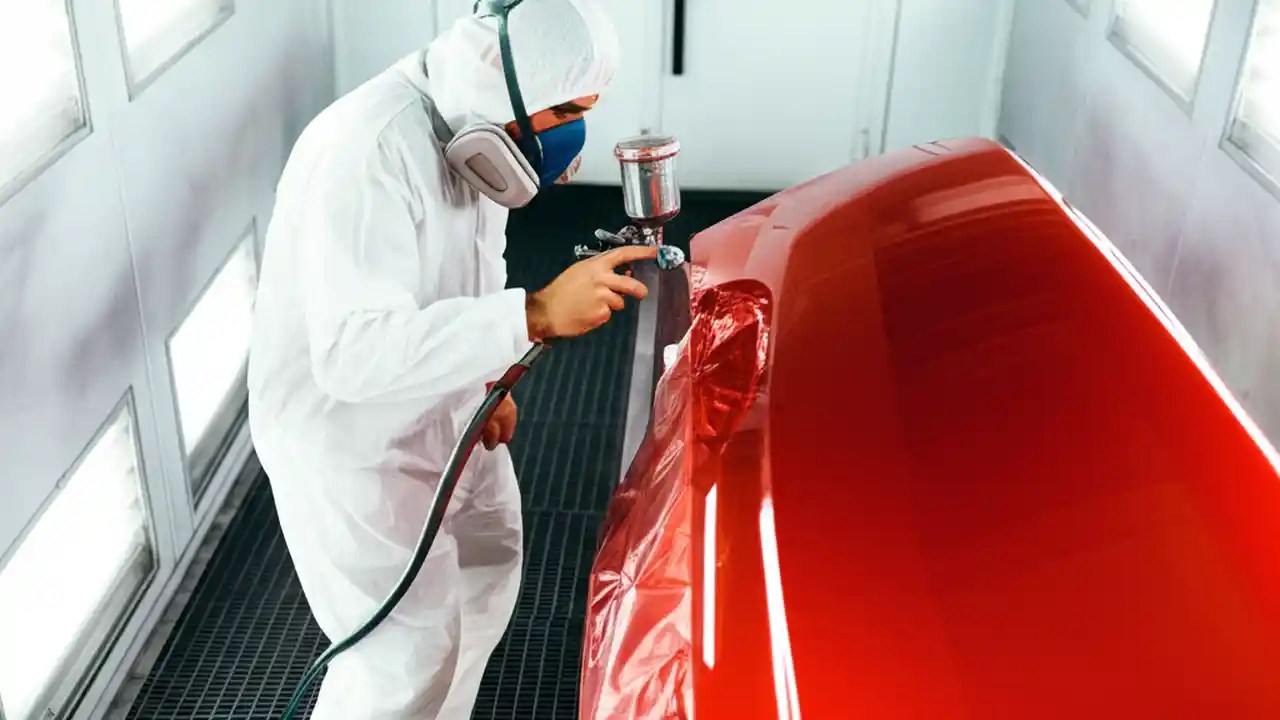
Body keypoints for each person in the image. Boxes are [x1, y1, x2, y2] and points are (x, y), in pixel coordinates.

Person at [246, 1, 654, 717]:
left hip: (447, 403)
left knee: (487, 570)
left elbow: (471, 266)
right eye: (566, 112)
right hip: (352, 442)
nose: (577, 134)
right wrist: (531, 316)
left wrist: (487, 379)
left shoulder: (477, 133)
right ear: (510, 88)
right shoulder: (366, 151)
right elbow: (352, 354)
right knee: (401, 660)